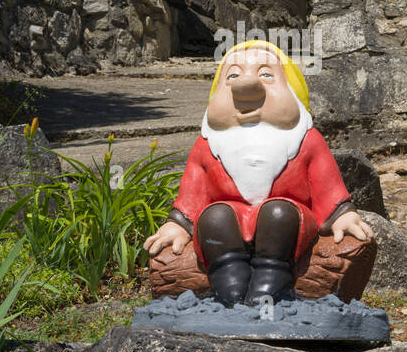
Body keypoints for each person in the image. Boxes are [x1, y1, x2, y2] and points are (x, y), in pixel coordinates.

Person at [143, 40, 372, 306]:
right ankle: (228, 281)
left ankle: (273, 278)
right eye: (233, 76)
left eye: (266, 74)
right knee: (214, 217)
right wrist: (179, 223)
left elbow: (326, 182)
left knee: (278, 215)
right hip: (232, 216)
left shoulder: (306, 140)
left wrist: (342, 214)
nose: (245, 85)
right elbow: (194, 189)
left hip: (291, 218)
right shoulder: (208, 144)